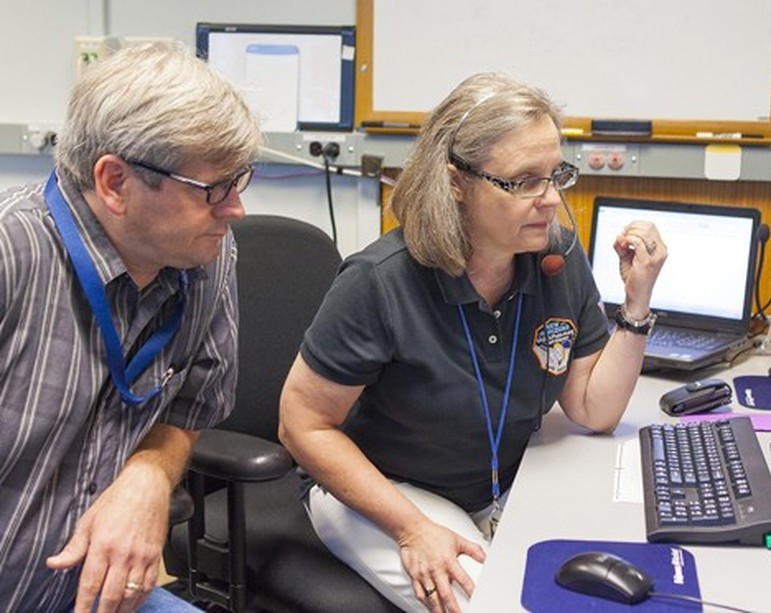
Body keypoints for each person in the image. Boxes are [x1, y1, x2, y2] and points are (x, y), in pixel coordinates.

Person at [278, 71, 665, 612]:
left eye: (556, 175)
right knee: (499, 607)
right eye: (524, 181)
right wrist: (411, 528)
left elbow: (593, 409)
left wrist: (637, 303)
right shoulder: (379, 282)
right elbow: (303, 425)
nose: (551, 199)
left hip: (499, 486)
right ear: (456, 182)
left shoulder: (556, 259)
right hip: (384, 492)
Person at [0, 42, 261, 612]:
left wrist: (149, 473)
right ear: (115, 182)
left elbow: (190, 410)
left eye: (239, 180)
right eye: (213, 189)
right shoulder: (11, 256)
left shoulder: (206, 256)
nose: (235, 209)